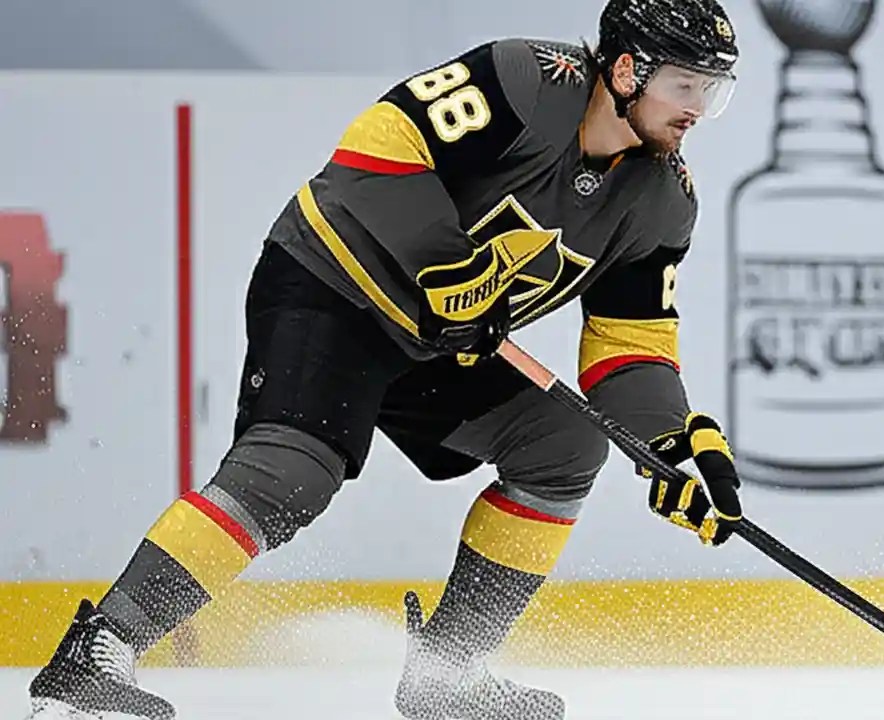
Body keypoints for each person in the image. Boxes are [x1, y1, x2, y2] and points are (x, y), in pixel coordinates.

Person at [25, 1, 744, 718]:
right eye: (685, 85)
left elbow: (630, 341)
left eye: (712, 91)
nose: (697, 110)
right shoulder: (526, 80)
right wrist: (445, 262)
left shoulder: (663, 200)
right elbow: (382, 142)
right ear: (626, 70)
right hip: (335, 287)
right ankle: (97, 651)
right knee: (294, 473)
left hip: (436, 341)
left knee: (564, 443)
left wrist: (668, 444)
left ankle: (446, 673)